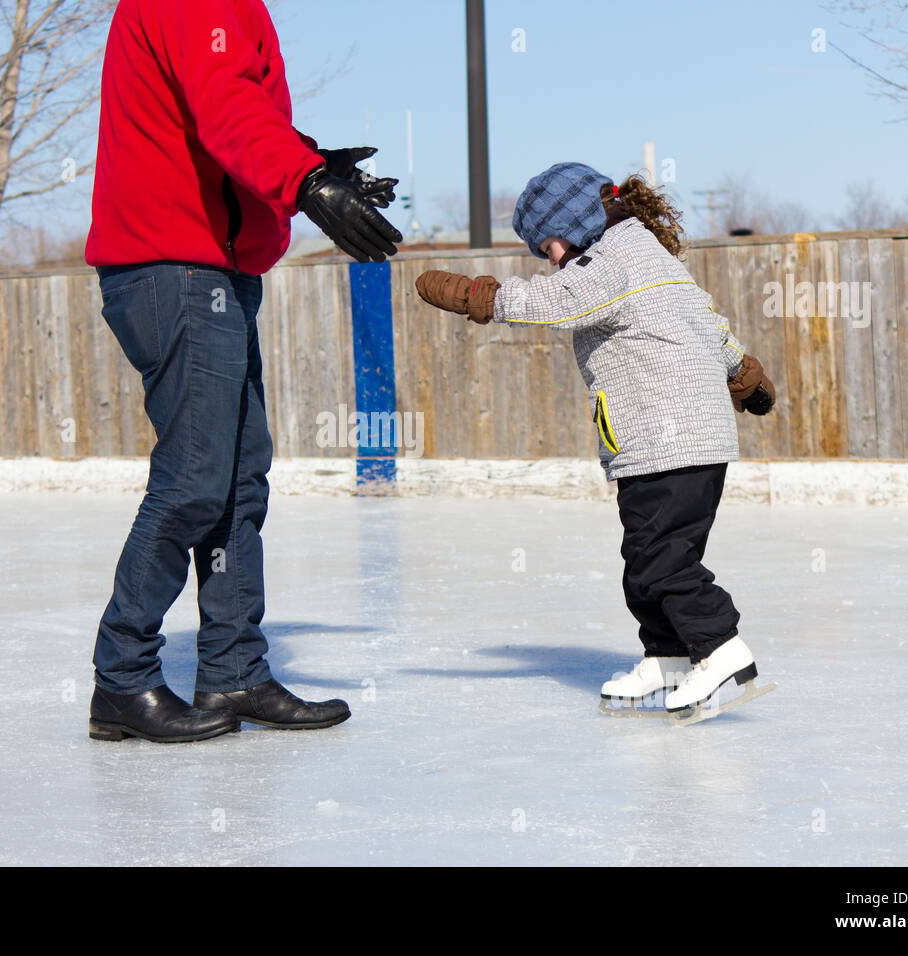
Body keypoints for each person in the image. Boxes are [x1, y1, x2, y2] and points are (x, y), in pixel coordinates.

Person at [84, 0, 402, 743]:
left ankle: (231, 670)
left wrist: (311, 160)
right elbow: (224, 106)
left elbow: (230, 107)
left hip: (208, 264)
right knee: (196, 476)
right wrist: (306, 184)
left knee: (235, 477)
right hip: (174, 264)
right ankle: (122, 676)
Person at [412, 163, 777, 722]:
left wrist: (477, 297)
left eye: (548, 244)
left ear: (577, 222)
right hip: (673, 440)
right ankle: (669, 657)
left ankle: (722, 647)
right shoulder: (647, 255)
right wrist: (744, 373)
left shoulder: (610, 261)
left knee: (662, 559)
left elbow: (556, 304)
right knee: (647, 557)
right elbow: (710, 323)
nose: (550, 257)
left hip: (668, 436)